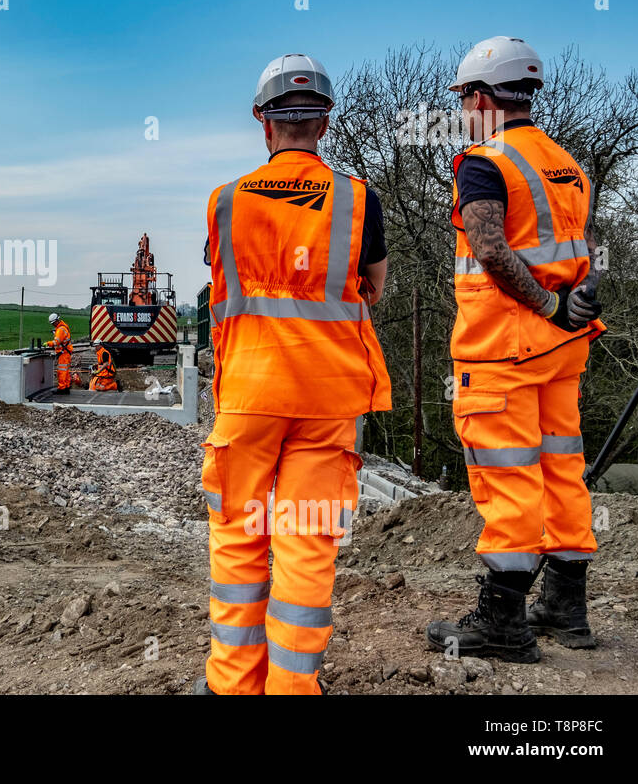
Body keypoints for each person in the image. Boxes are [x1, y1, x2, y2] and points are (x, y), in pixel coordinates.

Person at [197, 53, 392, 695]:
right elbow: (374, 289)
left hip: (250, 394)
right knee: (307, 541)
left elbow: (220, 280)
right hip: (327, 394)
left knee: (238, 538)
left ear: (263, 123)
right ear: (325, 124)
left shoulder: (225, 202)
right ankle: (291, 688)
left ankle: (230, 685)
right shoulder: (359, 200)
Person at [426, 37, 604, 661]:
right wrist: (570, 305)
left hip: (504, 349)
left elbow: (493, 249)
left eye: (463, 100)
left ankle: (503, 622)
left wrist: (549, 304)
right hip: (562, 350)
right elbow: (577, 254)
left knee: (508, 479)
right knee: (561, 468)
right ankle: (565, 607)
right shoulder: (564, 163)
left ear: (480, 97)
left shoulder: (484, 162)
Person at [44, 312, 73, 393]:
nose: (53, 325)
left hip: (63, 353)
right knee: (66, 371)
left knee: (62, 371)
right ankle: (66, 387)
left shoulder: (60, 329)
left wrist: (48, 343)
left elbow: (56, 342)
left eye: (53, 323)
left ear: (56, 321)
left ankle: (62, 388)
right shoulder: (62, 327)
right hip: (65, 352)